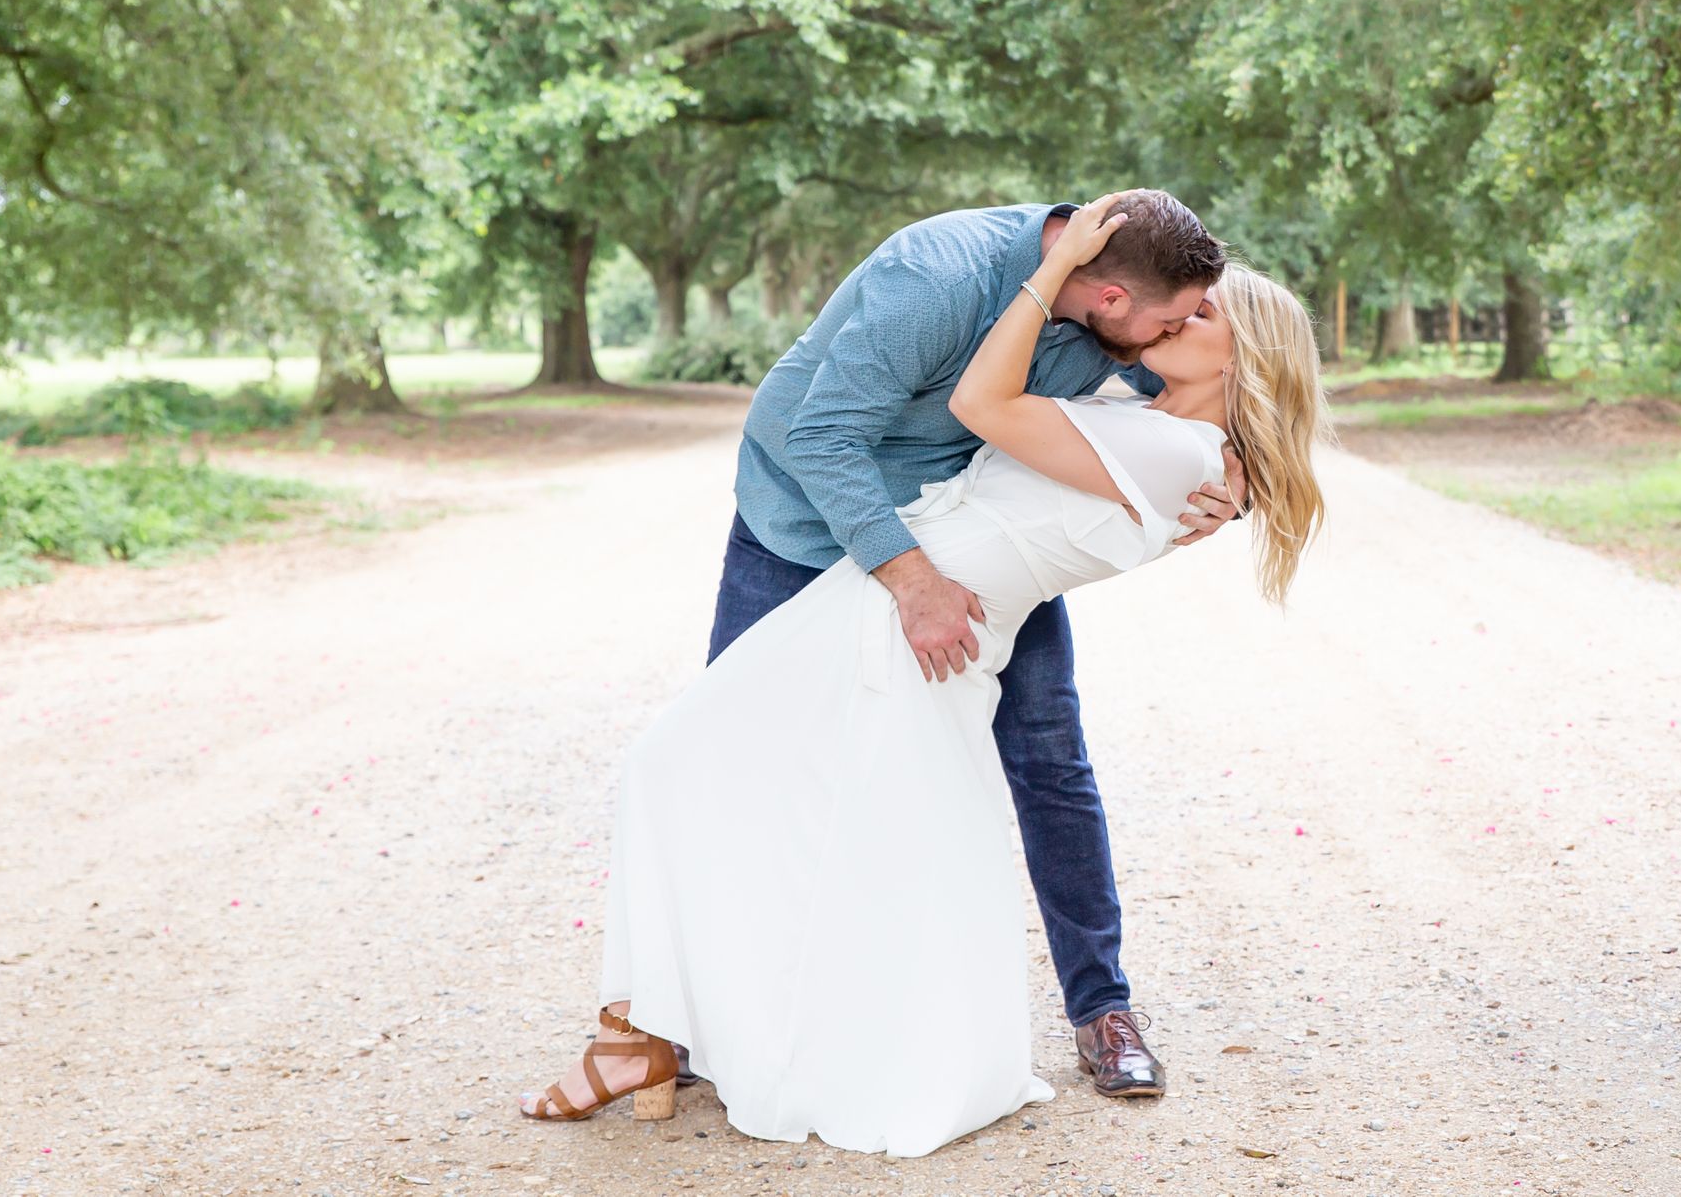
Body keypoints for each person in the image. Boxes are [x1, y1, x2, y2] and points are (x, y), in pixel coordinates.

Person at [517, 195, 1327, 1156]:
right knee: (727, 773)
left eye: (1194, 317)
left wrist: (1226, 481)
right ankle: (667, 1030)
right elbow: (826, 435)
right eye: (1174, 313)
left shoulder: (1132, 359)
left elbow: (1083, 440)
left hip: (953, 591)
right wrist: (908, 575)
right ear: (1108, 288)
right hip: (818, 528)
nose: (1167, 329)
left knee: (1042, 767)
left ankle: (1100, 1007)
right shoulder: (941, 279)